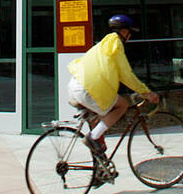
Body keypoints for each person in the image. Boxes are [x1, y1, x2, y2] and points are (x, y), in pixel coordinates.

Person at [67, 14, 159, 157]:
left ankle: (99, 167)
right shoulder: (116, 45)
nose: (130, 36)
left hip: (76, 85)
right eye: (130, 33)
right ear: (123, 32)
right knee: (122, 105)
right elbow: (126, 75)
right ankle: (92, 138)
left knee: (99, 118)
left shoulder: (105, 43)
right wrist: (146, 92)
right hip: (87, 90)